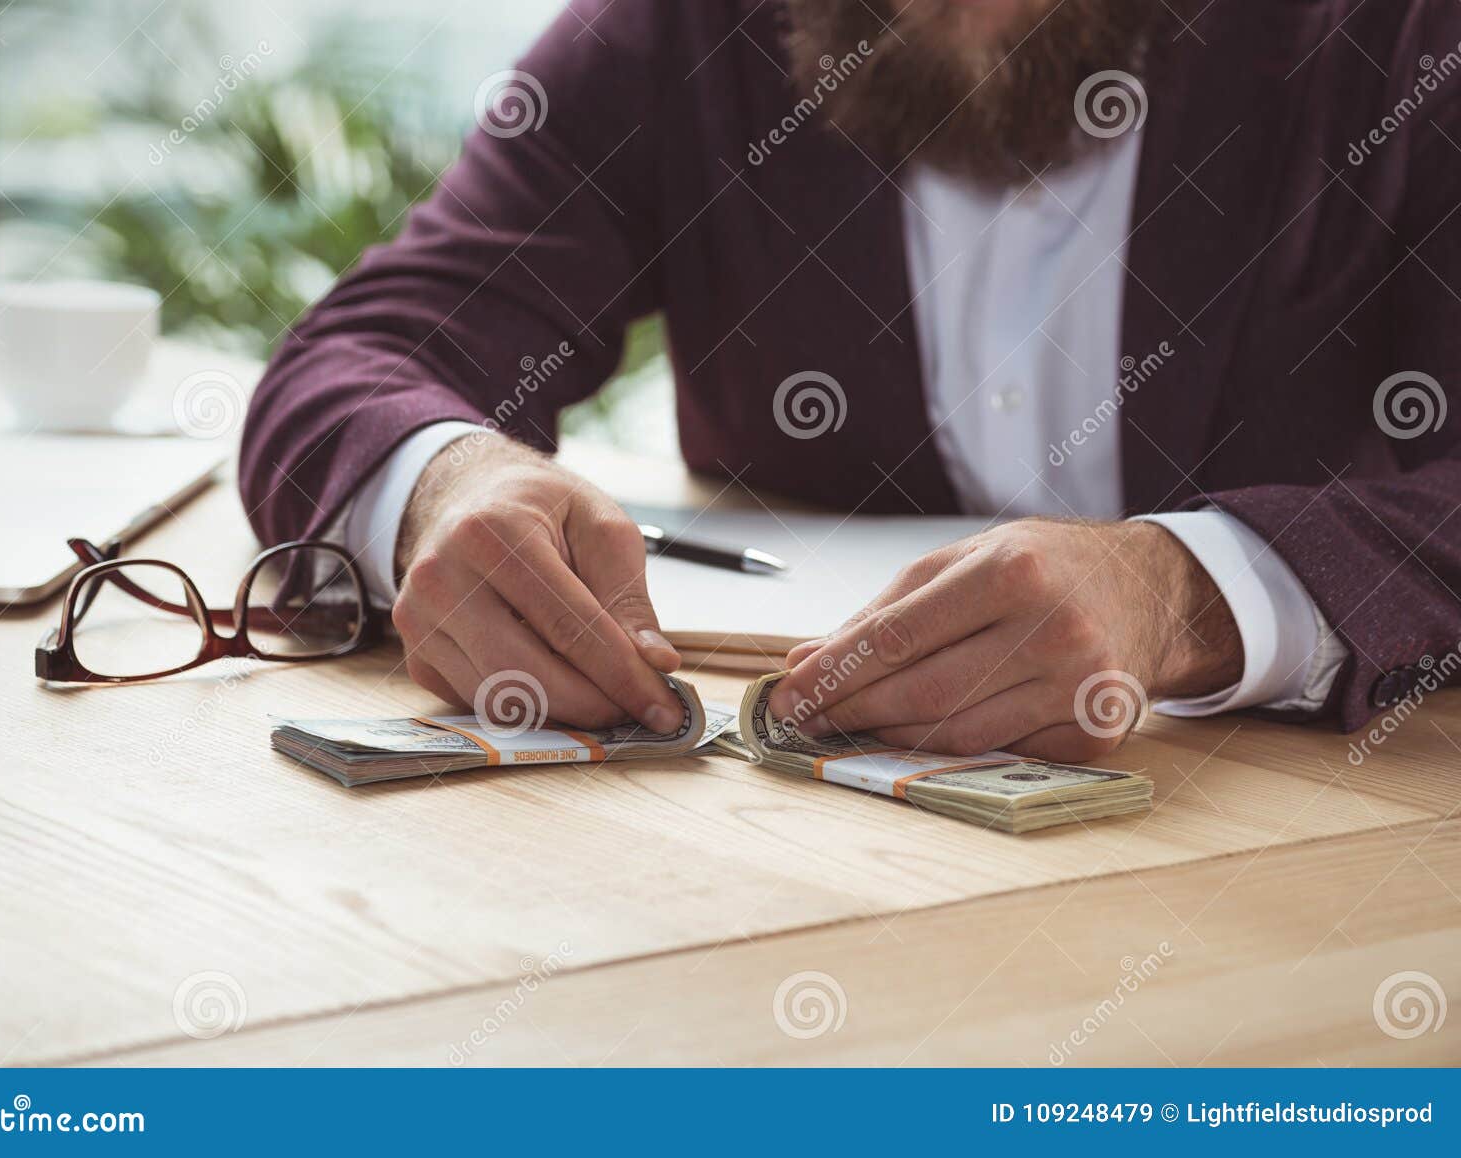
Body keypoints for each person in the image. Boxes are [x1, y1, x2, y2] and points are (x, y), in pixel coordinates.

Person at [239, 0, 1461, 762]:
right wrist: (448, 487)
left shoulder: (1404, 43)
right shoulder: (675, 36)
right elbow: (364, 355)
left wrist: (1186, 596)